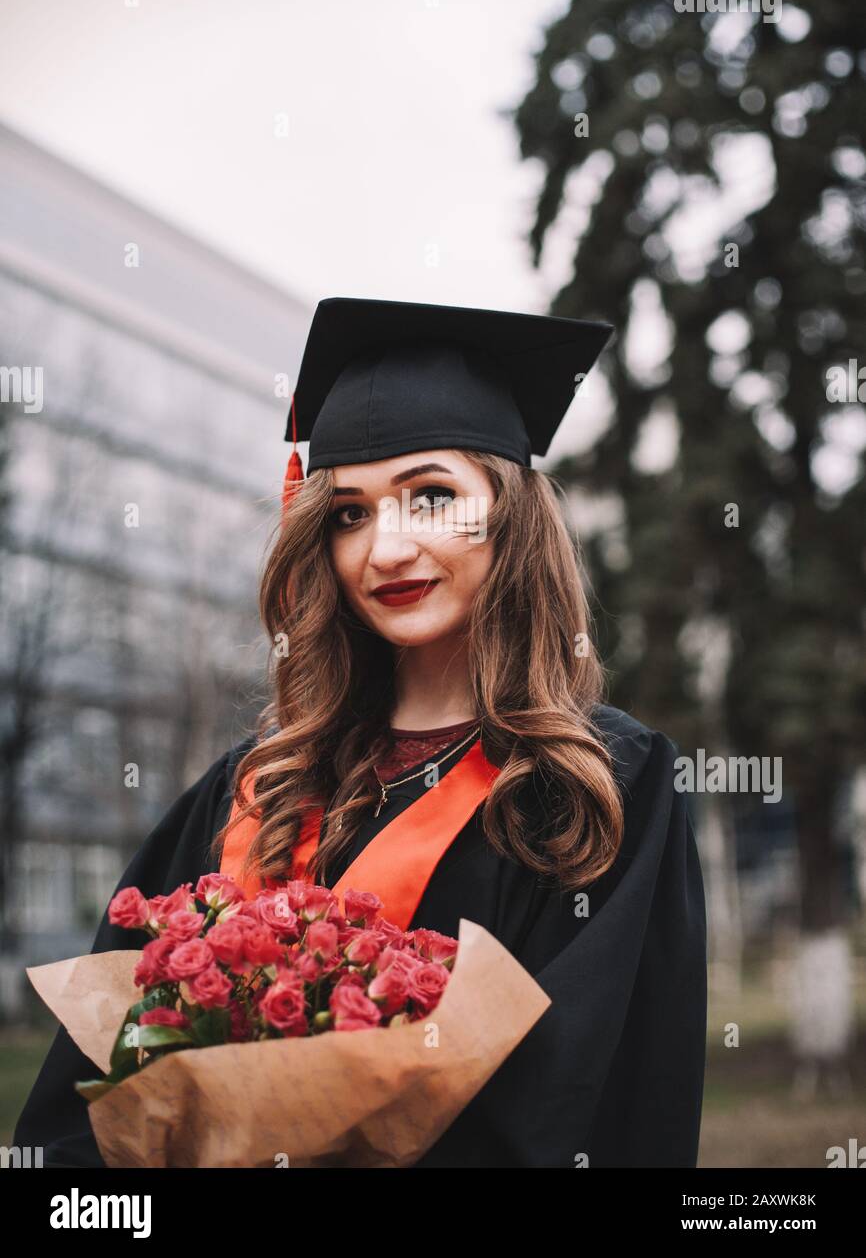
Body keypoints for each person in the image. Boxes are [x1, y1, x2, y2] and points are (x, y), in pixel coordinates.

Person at [14, 296, 707, 1168]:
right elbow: (80, 1106)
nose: (385, 550)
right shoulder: (256, 786)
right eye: (349, 512)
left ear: (509, 517)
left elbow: (599, 1105)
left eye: (430, 497)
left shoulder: (597, 786)